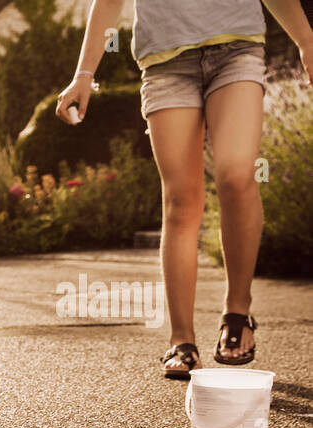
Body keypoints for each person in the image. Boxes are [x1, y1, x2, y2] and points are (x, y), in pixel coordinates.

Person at [56, 0, 313, 380]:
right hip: (165, 63)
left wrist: (306, 40)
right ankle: (182, 340)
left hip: (237, 49)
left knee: (236, 176)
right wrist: (83, 74)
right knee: (181, 201)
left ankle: (237, 313)